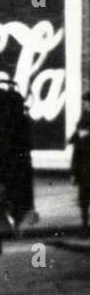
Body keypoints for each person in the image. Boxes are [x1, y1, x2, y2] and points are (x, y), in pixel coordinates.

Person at [71, 91, 90, 232]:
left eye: (87, 102)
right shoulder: (83, 118)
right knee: (83, 198)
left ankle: (85, 225)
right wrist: (73, 171)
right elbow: (76, 145)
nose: (85, 105)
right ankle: (84, 225)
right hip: (83, 165)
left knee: (84, 197)